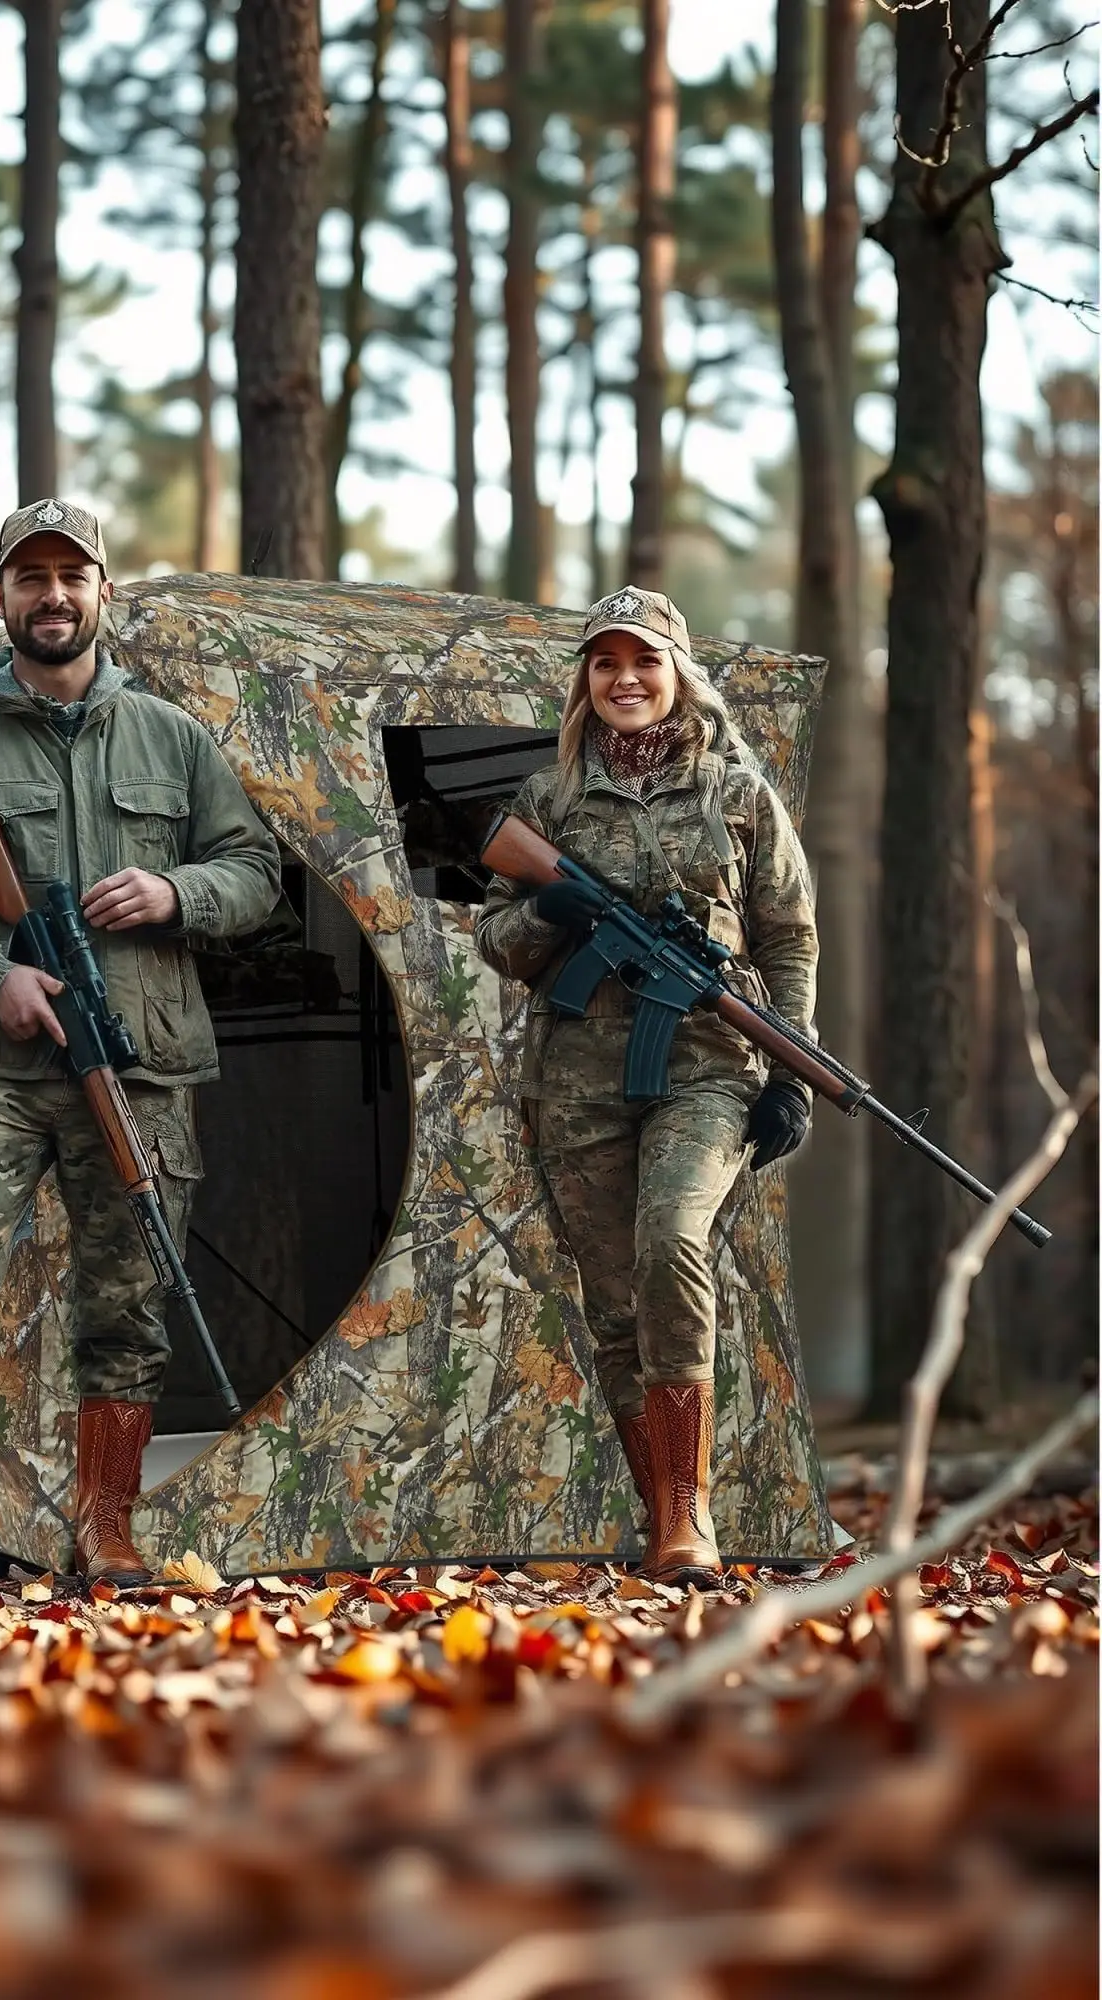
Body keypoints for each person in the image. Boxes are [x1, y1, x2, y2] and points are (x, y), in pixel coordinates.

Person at [0, 500, 281, 1594]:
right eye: (30, 576)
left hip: (133, 1061)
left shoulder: (173, 739)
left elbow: (256, 872)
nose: (52, 594)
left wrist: (173, 887)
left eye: (72, 575)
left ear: (103, 594)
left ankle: (109, 1529)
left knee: (126, 1300)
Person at [474, 587, 818, 1587]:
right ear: (586, 682)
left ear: (677, 676)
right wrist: (558, 915)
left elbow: (789, 937)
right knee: (617, 1305)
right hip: (576, 1079)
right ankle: (659, 1514)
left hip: (707, 1066)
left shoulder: (738, 794)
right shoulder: (547, 801)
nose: (624, 678)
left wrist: (792, 1066)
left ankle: (687, 1518)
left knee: (671, 1241)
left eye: (644, 661)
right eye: (604, 662)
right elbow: (496, 937)